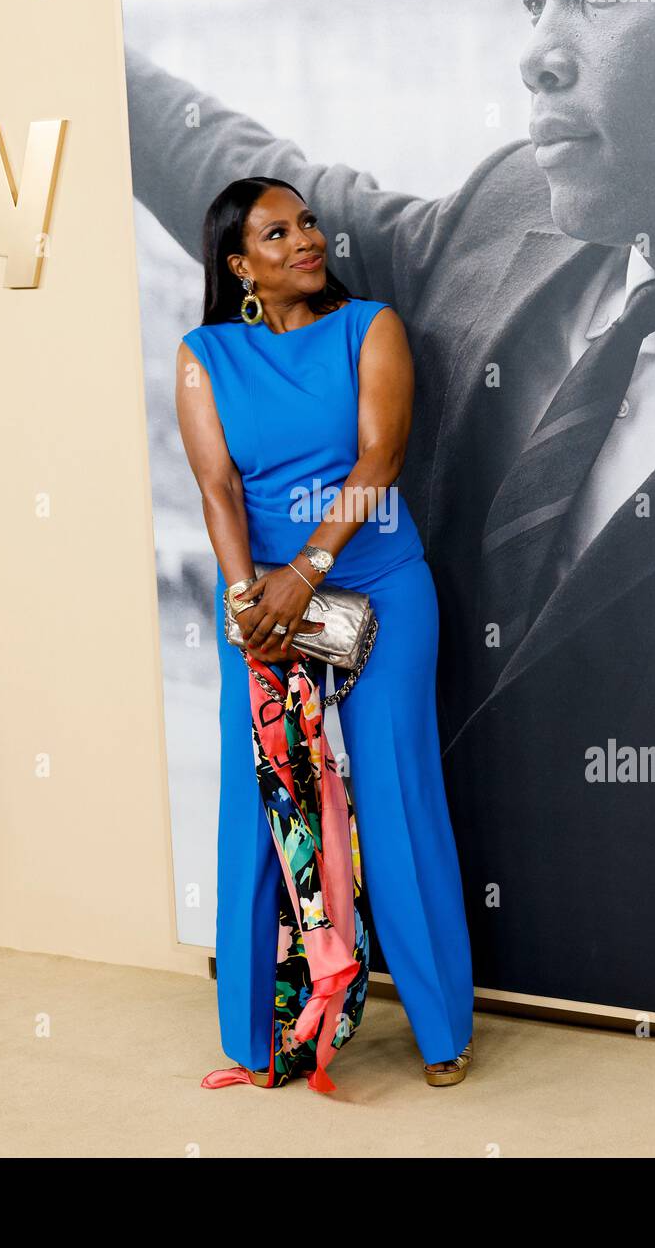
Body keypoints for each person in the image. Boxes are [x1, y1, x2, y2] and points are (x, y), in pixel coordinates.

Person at [129, 0, 655, 1034]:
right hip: (341, 1049)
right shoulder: (512, 214)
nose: (541, 50)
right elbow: (252, 183)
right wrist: (72, 61)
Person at [175, 174, 474, 1085]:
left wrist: (304, 575)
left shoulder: (368, 327)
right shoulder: (204, 354)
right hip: (262, 611)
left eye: (307, 221)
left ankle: (440, 1033)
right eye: (277, 233)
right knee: (257, 805)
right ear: (240, 267)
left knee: (396, 796)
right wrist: (246, 604)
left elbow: (380, 456)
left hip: (375, 588)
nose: (306, 239)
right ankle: (255, 1044)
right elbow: (218, 488)